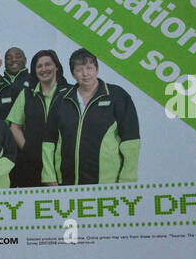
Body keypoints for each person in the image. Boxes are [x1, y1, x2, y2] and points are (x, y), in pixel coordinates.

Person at [41, 49, 140, 185]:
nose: (85, 73)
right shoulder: (61, 99)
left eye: (89, 68)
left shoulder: (117, 96)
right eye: (79, 70)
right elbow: (48, 142)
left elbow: (131, 140)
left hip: (108, 183)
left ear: (97, 69)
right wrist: (49, 176)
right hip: (66, 182)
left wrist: (127, 178)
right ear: (73, 74)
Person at [3, 49, 68, 189]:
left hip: (62, 161)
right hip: (33, 163)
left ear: (56, 66)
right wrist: (27, 149)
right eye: (39, 66)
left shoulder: (70, 92)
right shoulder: (26, 94)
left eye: (48, 64)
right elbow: (14, 126)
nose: (44, 69)